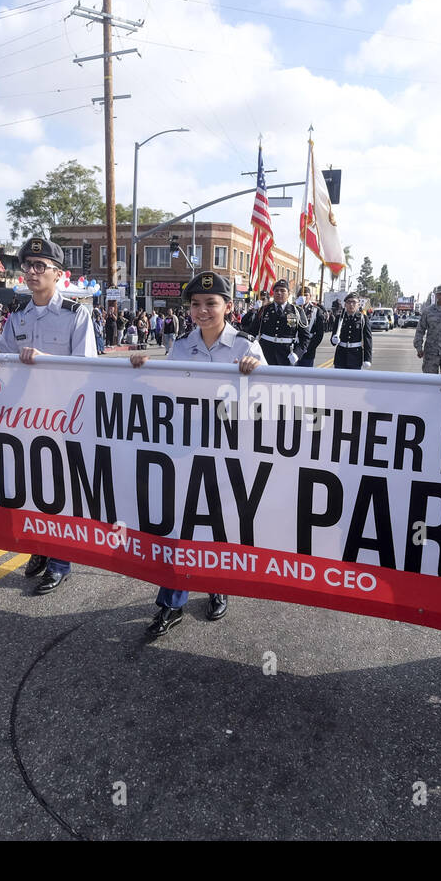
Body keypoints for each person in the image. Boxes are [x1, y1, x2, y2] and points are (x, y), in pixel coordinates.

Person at [128, 271, 263, 637]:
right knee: (180, 524)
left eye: (211, 303)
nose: (202, 311)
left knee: (216, 523)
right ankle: (172, 603)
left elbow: (264, 402)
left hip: (228, 450)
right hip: (185, 448)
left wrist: (257, 374)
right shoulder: (182, 345)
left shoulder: (246, 348)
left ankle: (217, 584)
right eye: (195, 304)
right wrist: (142, 369)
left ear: (229, 307)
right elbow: (167, 390)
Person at [0, 237, 96, 595]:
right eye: (27, 265)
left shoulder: (77, 315)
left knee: (58, 494)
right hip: (26, 417)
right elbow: (6, 351)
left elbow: (87, 369)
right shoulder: (18, 316)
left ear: (58, 274)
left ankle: (61, 562)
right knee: (30, 491)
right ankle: (40, 550)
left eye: (40, 266)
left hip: (62, 417)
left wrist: (45, 357)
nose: (31, 272)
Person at [246, 279, 309, 365]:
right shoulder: (264, 310)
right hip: (265, 354)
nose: (279, 293)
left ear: (288, 294)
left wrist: (297, 354)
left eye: (282, 290)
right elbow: (252, 332)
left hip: (286, 356)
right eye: (276, 290)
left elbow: (305, 338)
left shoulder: (296, 311)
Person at [331, 292, 372, 370]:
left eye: (354, 302)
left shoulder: (363, 318)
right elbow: (333, 337)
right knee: (338, 381)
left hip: (355, 357)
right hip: (340, 356)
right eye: (349, 302)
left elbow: (368, 340)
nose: (351, 304)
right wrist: (333, 340)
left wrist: (367, 359)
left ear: (358, 304)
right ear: (345, 304)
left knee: (354, 382)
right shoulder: (339, 318)